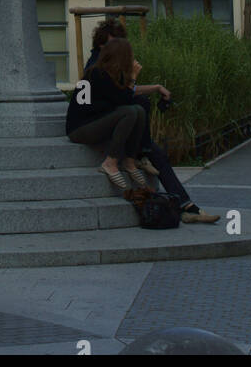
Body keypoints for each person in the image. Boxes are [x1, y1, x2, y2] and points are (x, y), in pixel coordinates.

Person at [82, 19, 220, 224]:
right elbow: (121, 95)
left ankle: (187, 207)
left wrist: (156, 87)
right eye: (113, 43)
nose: (117, 48)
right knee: (147, 124)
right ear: (101, 44)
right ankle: (185, 205)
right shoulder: (96, 66)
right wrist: (136, 79)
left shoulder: (109, 61)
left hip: (123, 121)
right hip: (112, 124)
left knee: (157, 152)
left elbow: (124, 91)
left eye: (119, 43)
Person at [66, 38, 151, 191]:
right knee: (130, 111)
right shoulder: (98, 74)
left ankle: (129, 161)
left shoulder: (107, 73)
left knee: (139, 110)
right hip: (80, 129)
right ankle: (110, 162)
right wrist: (132, 77)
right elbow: (123, 100)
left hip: (94, 122)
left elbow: (121, 99)